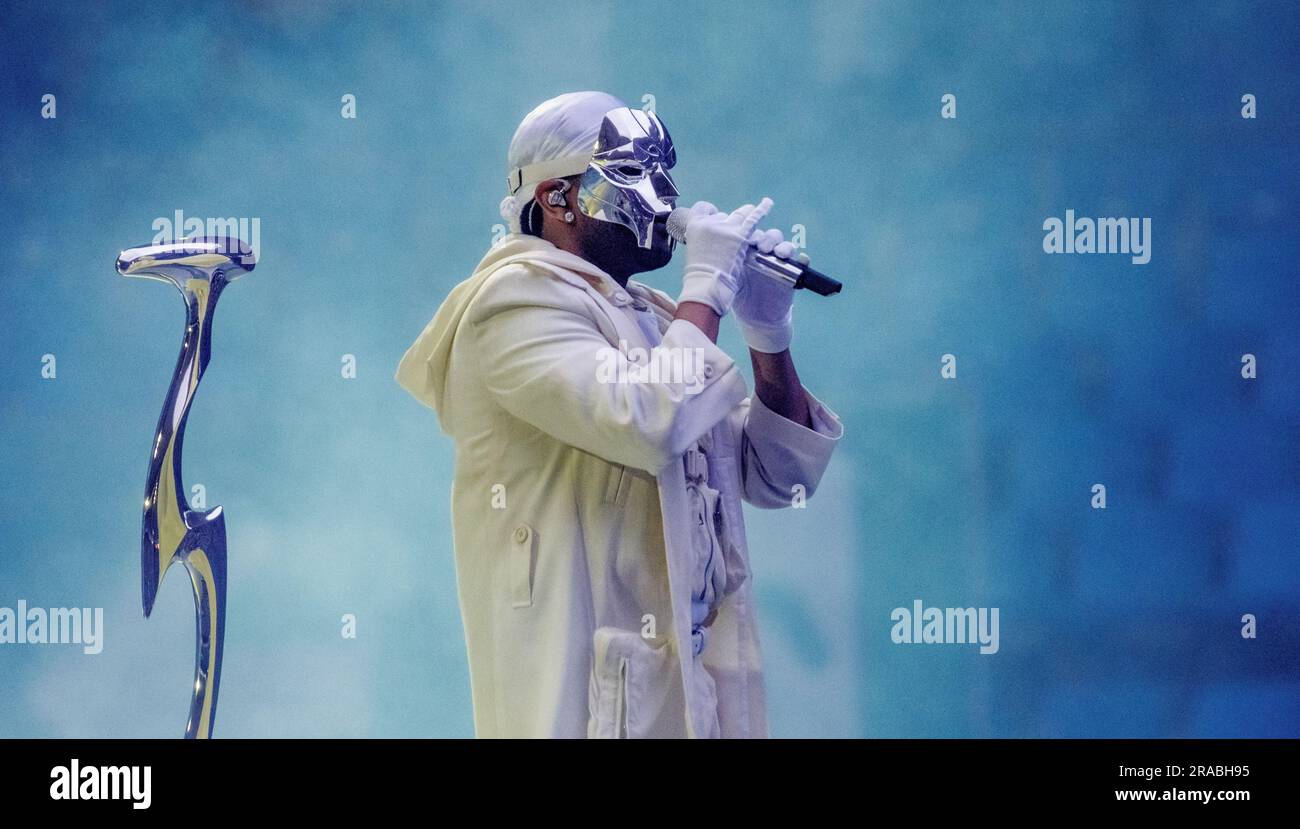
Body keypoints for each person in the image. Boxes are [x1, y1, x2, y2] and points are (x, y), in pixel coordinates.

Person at [395, 91, 843, 738]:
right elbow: (648, 417)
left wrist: (766, 331)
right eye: (631, 174)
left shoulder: (657, 317)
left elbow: (779, 479)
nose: (662, 195)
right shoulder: (512, 304)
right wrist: (708, 288)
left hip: (687, 683)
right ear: (557, 199)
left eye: (666, 174)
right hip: (584, 690)